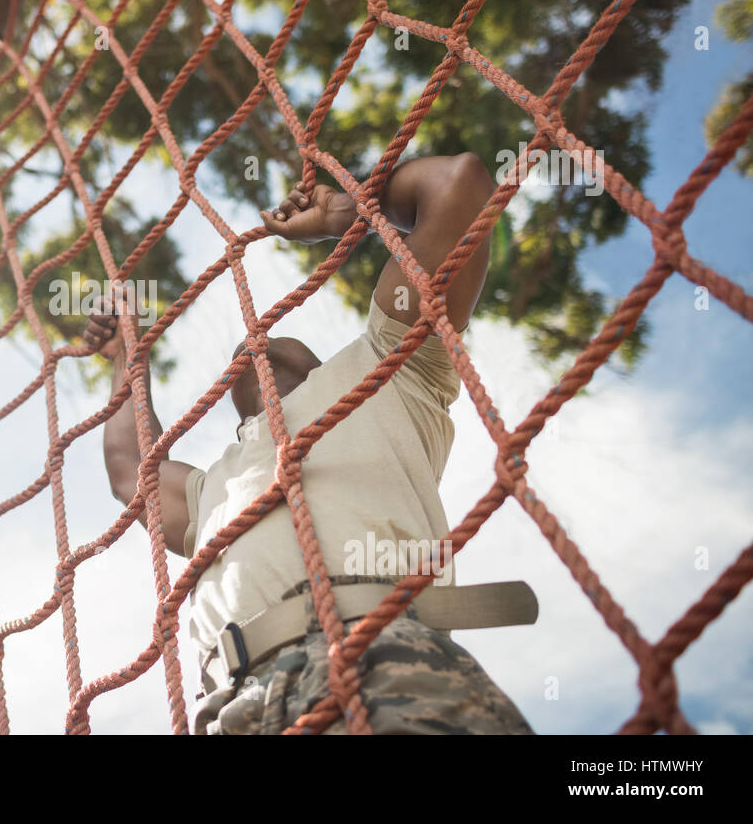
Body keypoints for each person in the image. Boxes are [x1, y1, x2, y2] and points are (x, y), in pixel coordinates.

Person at [84, 153, 538, 734]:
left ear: (316, 364)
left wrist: (352, 210)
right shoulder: (212, 489)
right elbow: (130, 472)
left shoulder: (391, 370)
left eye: (276, 341)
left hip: (390, 658)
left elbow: (459, 185)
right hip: (235, 704)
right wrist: (126, 353)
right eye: (243, 354)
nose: (256, 344)